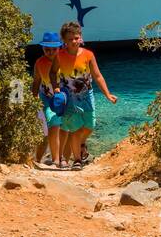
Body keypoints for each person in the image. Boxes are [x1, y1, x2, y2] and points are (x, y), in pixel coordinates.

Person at [55, 22, 117, 169]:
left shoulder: (88, 55)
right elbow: (53, 73)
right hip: (69, 97)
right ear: (64, 40)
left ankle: (80, 143)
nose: (74, 41)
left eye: (76, 38)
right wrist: (56, 87)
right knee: (75, 129)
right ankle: (77, 160)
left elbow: (97, 76)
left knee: (90, 125)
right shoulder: (59, 55)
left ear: (80, 37)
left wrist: (107, 94)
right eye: (70, 39)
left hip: (87, 95)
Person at [31, 32, 65, 168]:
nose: (50, 52)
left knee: (69, 128)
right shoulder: (39, 63)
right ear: (43, 49)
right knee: (53, 126)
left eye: (54, 49)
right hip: (47, 99)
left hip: (64, 99)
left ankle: (63, 157)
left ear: (60, 48)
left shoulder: (65, 60)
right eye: (47, 49)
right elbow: (36, 83)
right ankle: (55, 160)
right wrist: (34, 101)